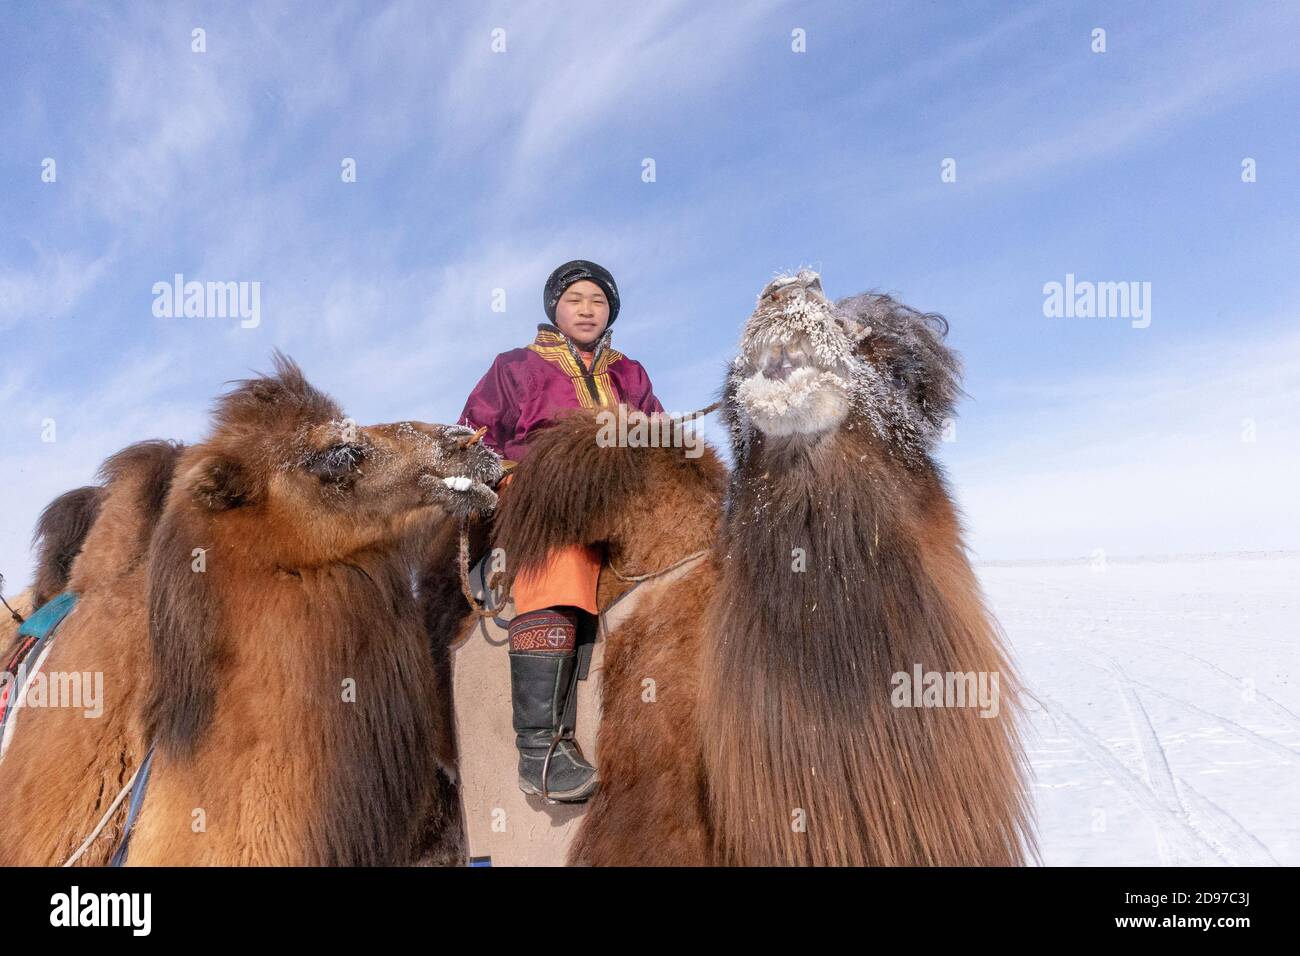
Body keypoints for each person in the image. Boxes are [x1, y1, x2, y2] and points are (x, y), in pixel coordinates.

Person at [459, 259, 663, 801]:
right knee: (563, 559)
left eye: (598, 300)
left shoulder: (631, 373)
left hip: (622, 498)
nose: (587, 309)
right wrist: (511, 475)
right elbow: (471, 436)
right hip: (542, 499)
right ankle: (542, 749)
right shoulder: (515, 366)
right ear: (556, 308)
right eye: (576, 299)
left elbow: (660, 436)